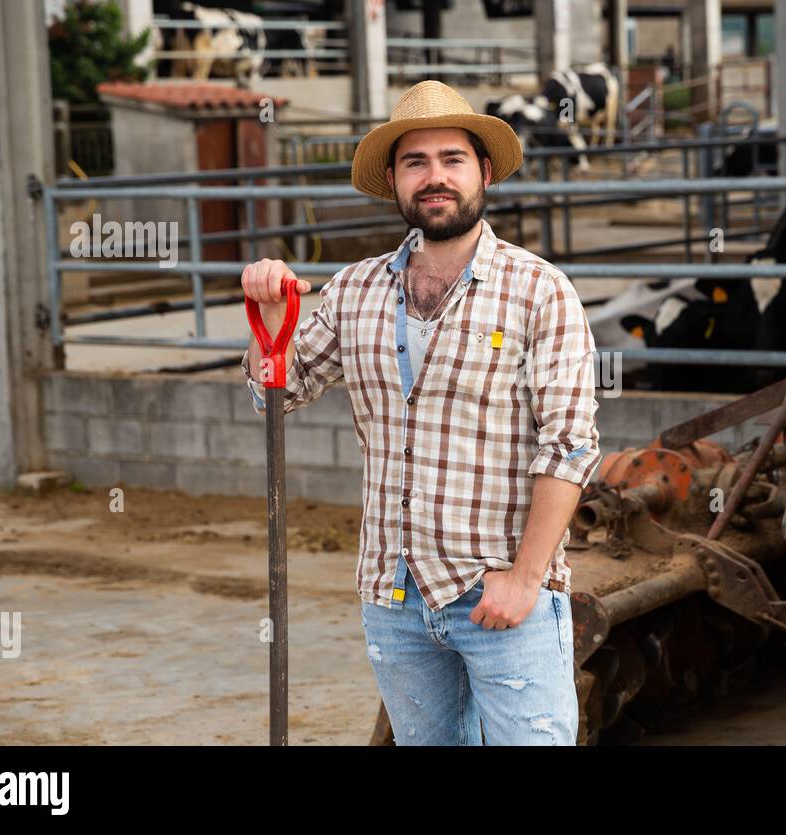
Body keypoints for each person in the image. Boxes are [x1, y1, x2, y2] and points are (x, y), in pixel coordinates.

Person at [239, 80, 601, 745]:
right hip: (394, 597)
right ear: (395, 181)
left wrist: (525, 578)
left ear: (483, 172)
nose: (435, 177)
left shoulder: (539, 291)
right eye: (416, 162)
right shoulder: (355, 291)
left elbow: (569, 447)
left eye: (451, 159)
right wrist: (270, 321)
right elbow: (276, 395)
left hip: (500, 597)